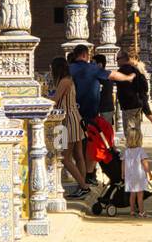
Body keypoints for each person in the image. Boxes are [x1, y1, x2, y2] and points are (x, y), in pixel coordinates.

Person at [69, 45, 135, 181]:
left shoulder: (69, 69)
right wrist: (128, 78)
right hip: (90, 114)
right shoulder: (92, 68)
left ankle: (79, 176)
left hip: (72, 114)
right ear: (85, 55)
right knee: (91, 146)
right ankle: (89, 174)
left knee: (75, 149)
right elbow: (113, 75)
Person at [50, 57, 91, 198]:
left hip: (68, 120)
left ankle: (84, 186)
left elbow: (55, 101)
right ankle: (82, 185)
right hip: (75, 118)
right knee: (78, 155)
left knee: (65, 158)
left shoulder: (64, 81)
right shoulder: (69, 80)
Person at [123, 124, 151, 219]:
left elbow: (123, 163)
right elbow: (145, 163)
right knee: (140, 196)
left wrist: (122, 174)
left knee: (132, 195)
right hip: (139, 175)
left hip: (130, 176)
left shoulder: (126, 151)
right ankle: (141, 211)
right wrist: (149, 173)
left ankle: (132, 211)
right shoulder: (140, 151)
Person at [93, 54, 116, 121]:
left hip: (106, 109)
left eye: (93, 63)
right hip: (99, 109)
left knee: (107, 129)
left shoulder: (106, 76)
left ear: (100, 64)